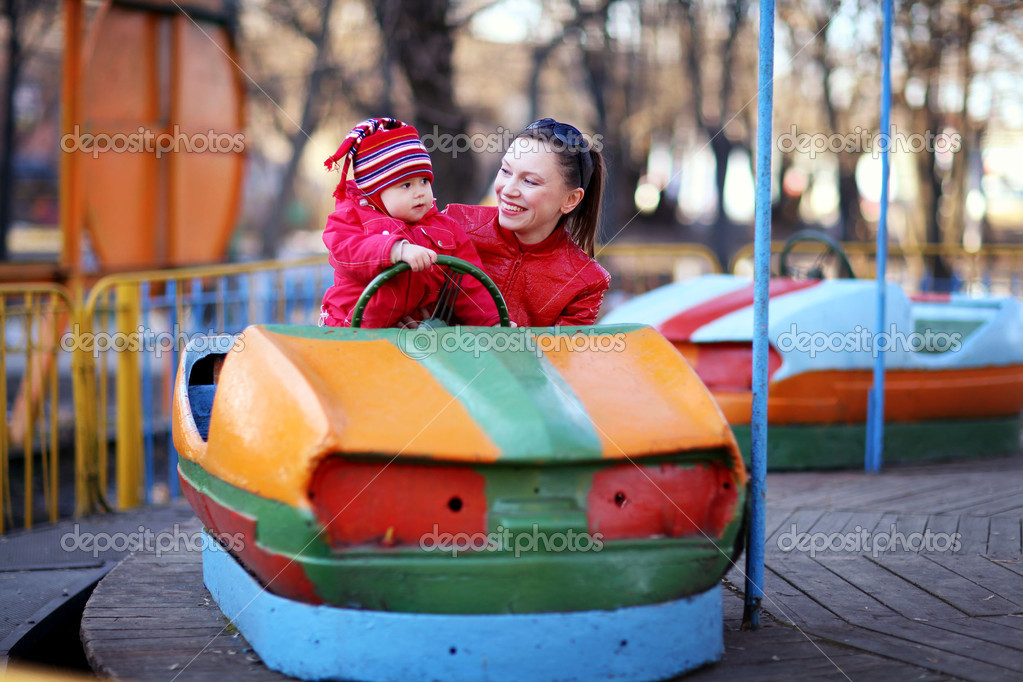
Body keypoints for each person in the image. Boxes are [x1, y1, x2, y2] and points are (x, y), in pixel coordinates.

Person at [319, 118, 500, 328]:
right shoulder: (352, 217)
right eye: (406, 185)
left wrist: (492, 322)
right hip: (347, 325)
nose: (419, 193)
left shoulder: (445, 229)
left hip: (403, 329)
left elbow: (468, 284)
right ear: (375, 193)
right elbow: (345, 250)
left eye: (424, 181)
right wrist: (395, 250)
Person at [443, 118, 610, 327]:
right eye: (505, 171)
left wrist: (520, 345)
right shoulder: (452, 224)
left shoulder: (586, 282)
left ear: (571, 199)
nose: (508, 190)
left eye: (529, 181)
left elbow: (563, 357)